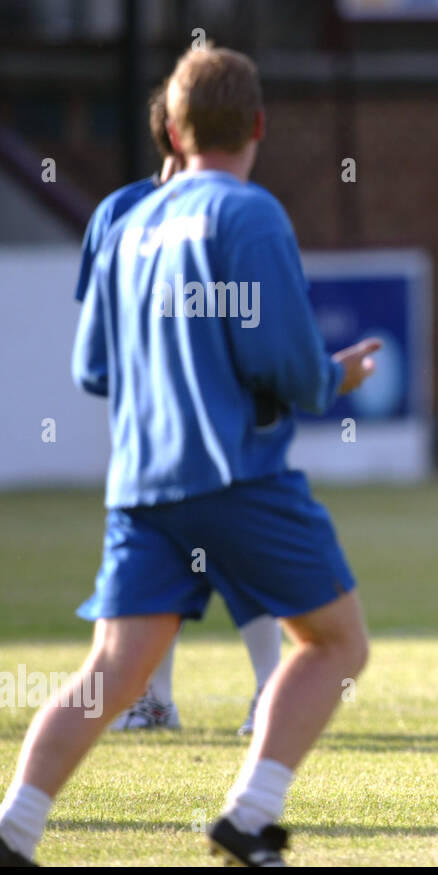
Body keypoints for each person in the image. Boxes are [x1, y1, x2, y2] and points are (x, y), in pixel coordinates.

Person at [0, 46, 379, 866]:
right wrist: (333, 376)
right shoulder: (249, 215)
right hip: (236, 474)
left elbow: (90, 368)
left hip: (141, 484)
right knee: (337, 644)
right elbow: (281, 364)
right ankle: (249, 816)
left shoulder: (127, 219)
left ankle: (16, 830)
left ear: (172, 129)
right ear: (259, 124)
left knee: (112, 672)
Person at [75, 83, 282, 736]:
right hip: (161, 438)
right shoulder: (126, 212)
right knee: (153, 578)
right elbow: (102, 336)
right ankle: (153, 698)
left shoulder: (234, 213)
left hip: (213, 435)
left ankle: (266, 696)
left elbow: (93, 362)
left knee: (241, 568)